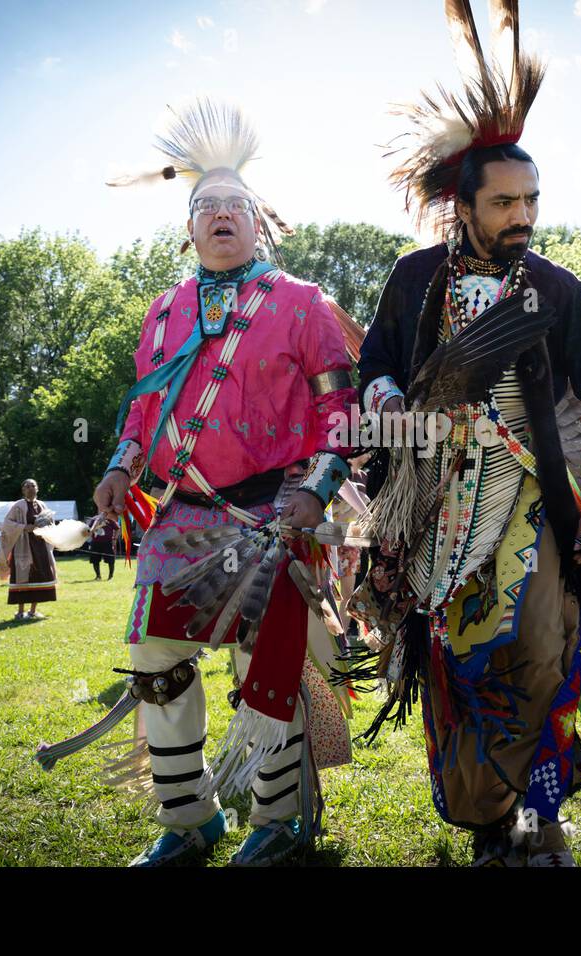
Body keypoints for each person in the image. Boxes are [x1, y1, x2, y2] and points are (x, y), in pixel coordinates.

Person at [350, 6, 581, 867]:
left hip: (539, 500)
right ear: (463, 205)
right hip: (435, 504)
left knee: (545, 658)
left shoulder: (555, 288)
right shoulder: (414, 278)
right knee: (459, 657)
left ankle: (546, 817)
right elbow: (372, 365)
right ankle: (488, 820)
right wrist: (403, 410)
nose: (523, 213)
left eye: (532, 199)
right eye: (505, 201)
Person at [90, 98, 358, 868]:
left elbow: (342, 407)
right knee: (156, 662)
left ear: (258, 220)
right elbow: (144, 406)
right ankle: (188, 819)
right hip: (184, 512)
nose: (220, 217)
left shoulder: (302, 303)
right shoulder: (164, 310)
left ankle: (278, 820)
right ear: (188, 227)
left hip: (275, 509)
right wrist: (120, 463)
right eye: (205, 208)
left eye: (234, 206)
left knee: (261, 666)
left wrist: (321, 484)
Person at [0, 480, 58, 619]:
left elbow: (51, 523)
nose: (30, 488)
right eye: (27, 486)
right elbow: (7, 523)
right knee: (22, 577)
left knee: (39, 575)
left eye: (33, 486)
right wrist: (24, 527)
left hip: (40, 546)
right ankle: (20, 612)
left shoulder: (42, 505)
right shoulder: (18, 506)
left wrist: (46, 526)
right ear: (23, 490)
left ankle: (32, 611)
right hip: (23, 547)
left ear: (37, 489)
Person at [86, 515, 116, 581]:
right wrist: (100, 525)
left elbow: (117, 528)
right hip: (96, 543)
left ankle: (110, 577)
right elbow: (90, 530)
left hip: (108, 543)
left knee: (111, 560)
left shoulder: (110, 519)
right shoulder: (94, 519)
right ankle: (98, 576)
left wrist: (114, 539)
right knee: (95, 560)